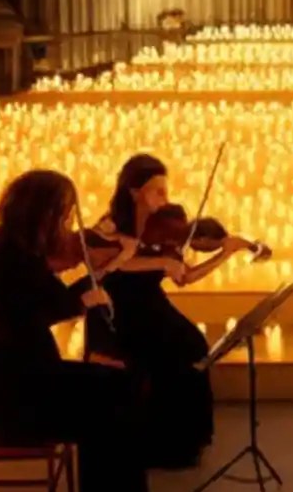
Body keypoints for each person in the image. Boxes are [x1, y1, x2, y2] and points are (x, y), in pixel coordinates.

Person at [0, 169, 163, 492]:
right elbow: (45, 307)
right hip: (9, 394)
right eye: (61, 215)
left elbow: (51, 299)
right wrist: (86, 293)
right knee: (102, 407)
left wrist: (91, 283)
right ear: (39, 212)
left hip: (26, 376)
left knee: (126, 382)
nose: (66, 225)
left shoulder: (16, 249)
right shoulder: (10, 258)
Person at [86, 153, 258, 469]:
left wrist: (225, 253)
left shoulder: (164, 228)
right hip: (116, 313)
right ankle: (157, 442)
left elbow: (184, 277)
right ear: (135, 191)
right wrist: (158, 261)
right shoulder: (109, 225)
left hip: (151, 304)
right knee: (168, 354)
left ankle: (184, 441)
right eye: (158, 191)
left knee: (193, 344)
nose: (166, 199)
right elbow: (103, 269)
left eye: (166, 191)